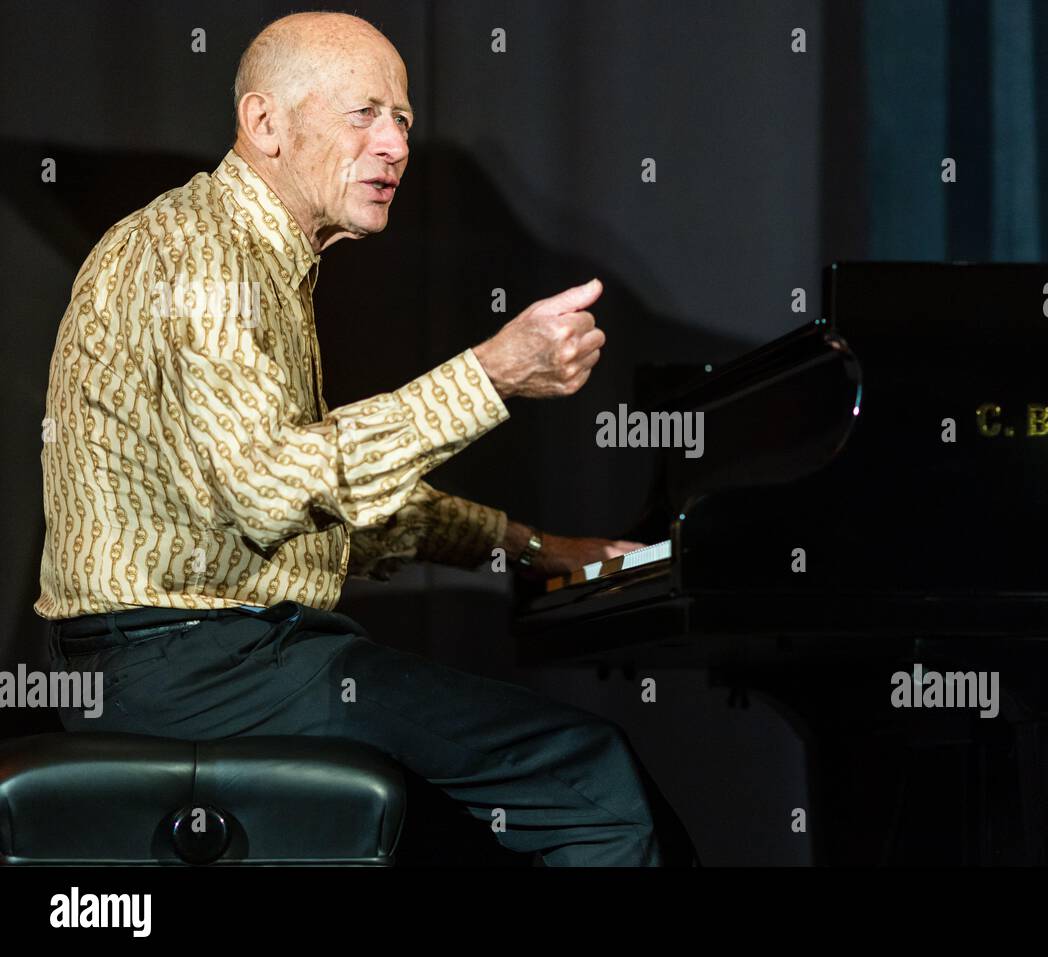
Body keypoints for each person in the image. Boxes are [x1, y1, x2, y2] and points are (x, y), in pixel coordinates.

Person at [35, 10, 698, 867]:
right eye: (365, 114)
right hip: (191, 665)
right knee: (591, 775)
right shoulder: (204, 255)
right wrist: (488, 372)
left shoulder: (246, 252)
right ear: (264, 123)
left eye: (405, 121)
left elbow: (318, 504)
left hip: (201, 658)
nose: (395, 146)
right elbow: (276, 490)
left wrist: (530, 545)